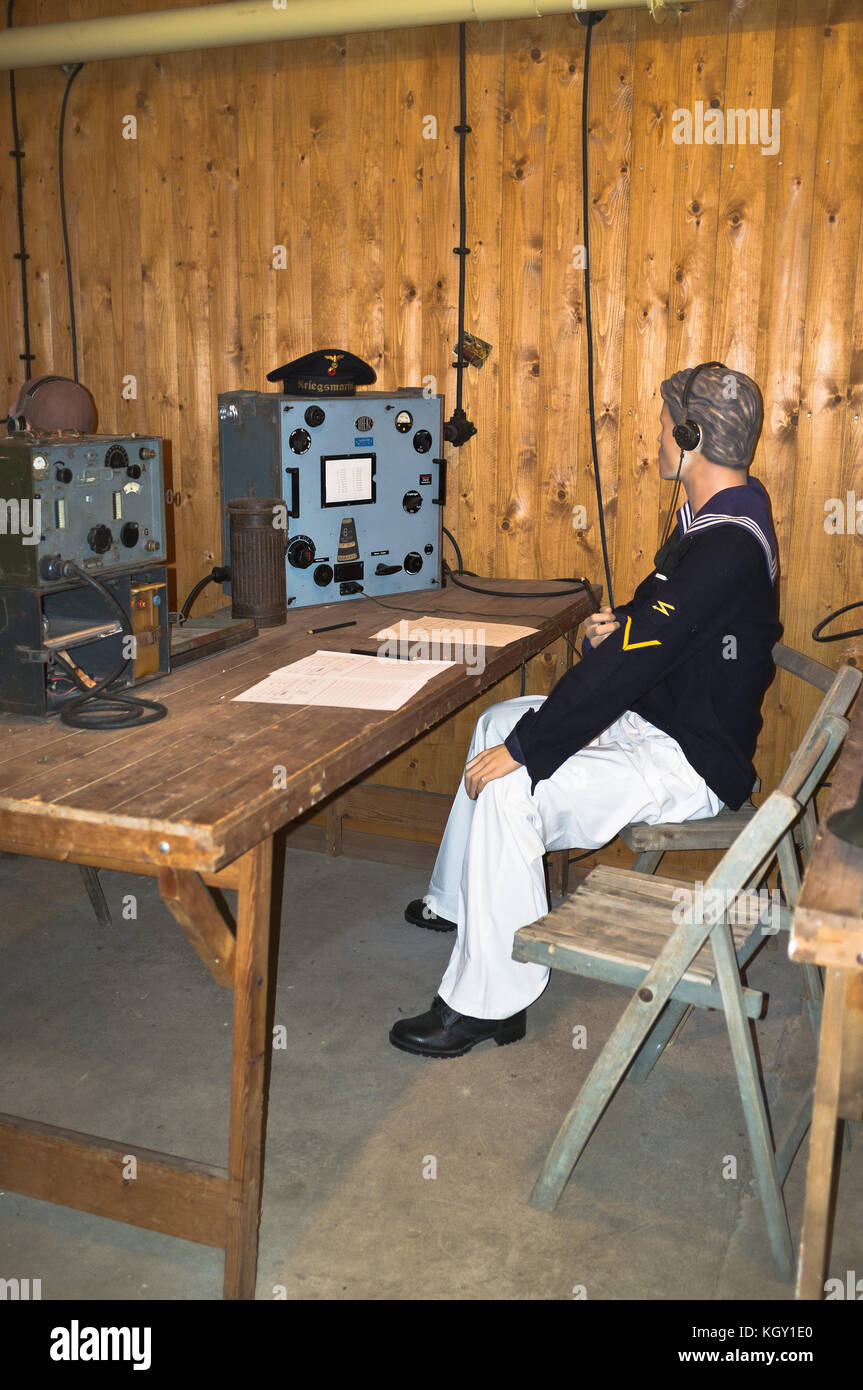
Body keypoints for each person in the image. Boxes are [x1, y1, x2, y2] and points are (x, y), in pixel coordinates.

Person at [389, 363, 780, 1058]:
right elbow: (667, 621)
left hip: (686, 758)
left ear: (689, 437)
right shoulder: (731, 511)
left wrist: (536, 746)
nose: (654, 439)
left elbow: (639, 658)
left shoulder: (725, 545)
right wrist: (623, 621)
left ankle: (489, 1004)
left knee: (511, 778)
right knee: (496, 726)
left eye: (662, 427)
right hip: (665, 718)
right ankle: (458, 901)